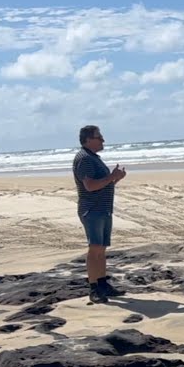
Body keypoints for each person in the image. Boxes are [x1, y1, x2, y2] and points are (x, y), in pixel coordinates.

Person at [72, 124, 126, 303]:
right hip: (92, 210)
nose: (103, 140)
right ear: (88, 140)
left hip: (102, 209)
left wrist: (115, 179)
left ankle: (102, 284)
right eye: (99, 137)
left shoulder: (93, 158)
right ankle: (94, 287)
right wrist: (111, 177)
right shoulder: (84, 159)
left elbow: (101, 185)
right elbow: (90, 186)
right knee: (94, 248)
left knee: (101, 249)